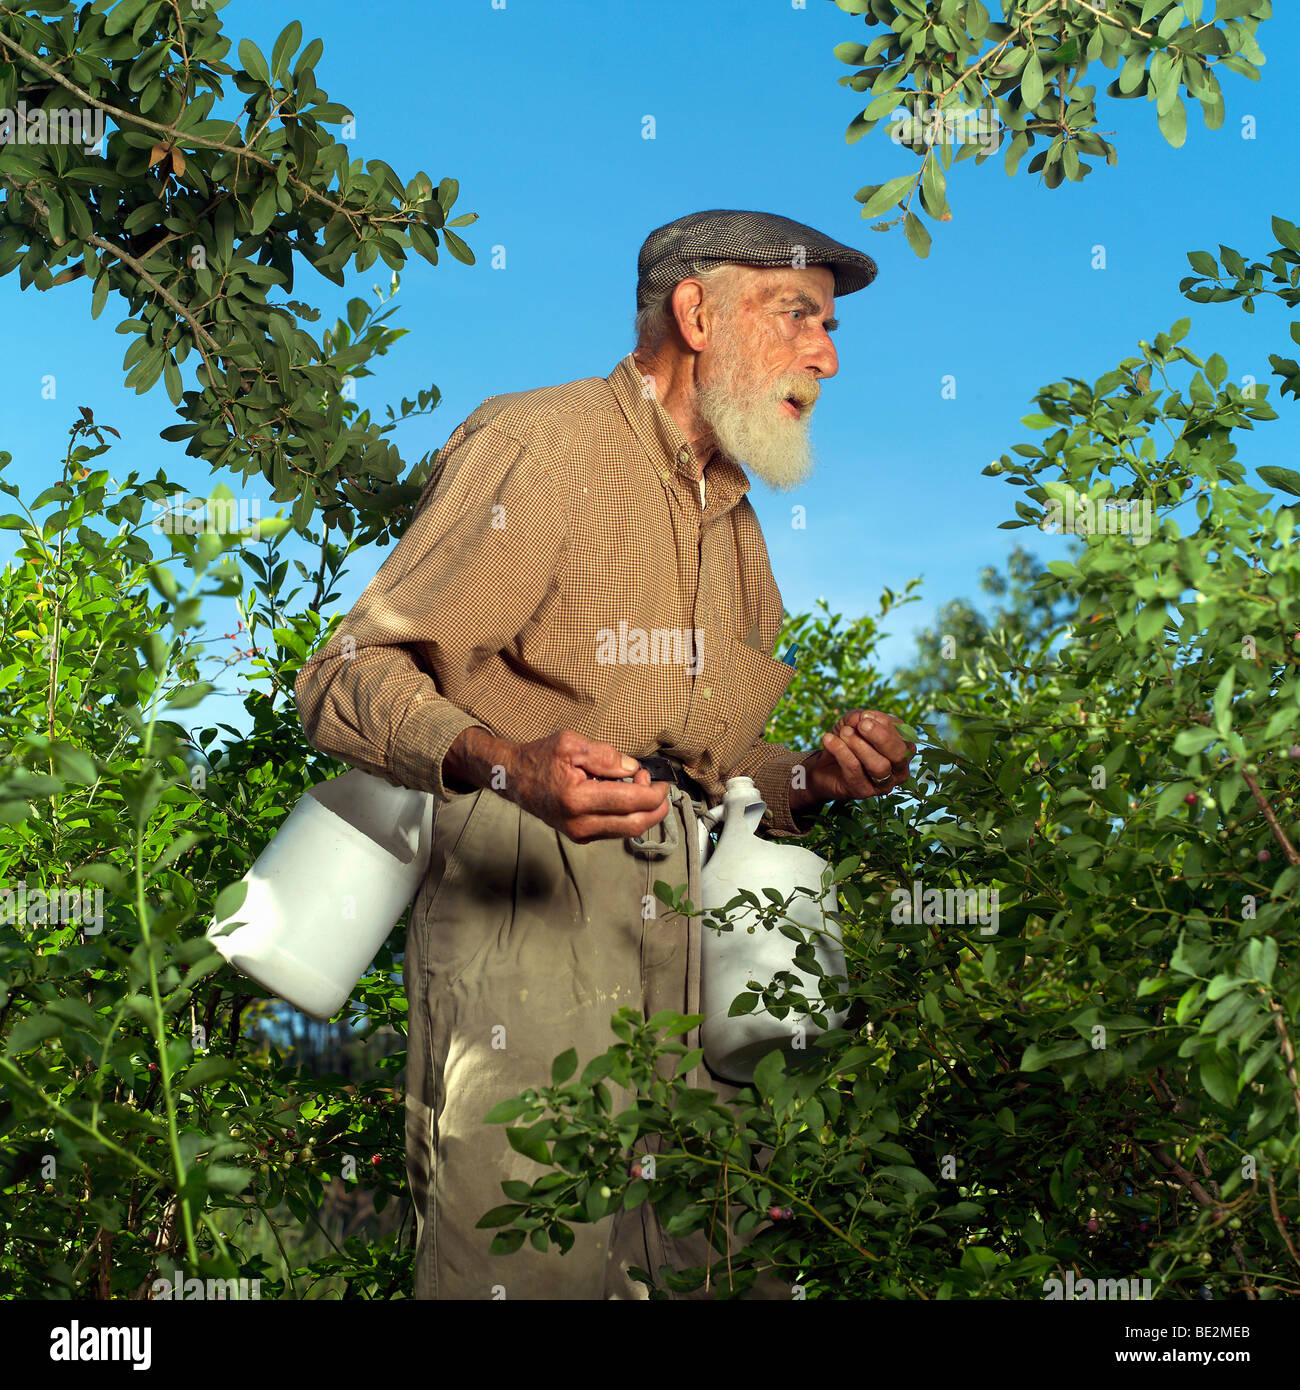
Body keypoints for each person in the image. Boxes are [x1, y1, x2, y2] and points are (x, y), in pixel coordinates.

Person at [294, 208, 917, 1299]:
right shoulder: (540, 445)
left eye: (827, 327)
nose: (827, 353)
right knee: (528, 1244)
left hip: (698, 909)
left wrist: (815, 775)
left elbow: (712, 768)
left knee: (711, 1243)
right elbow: (344, 676)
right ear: (696, 312)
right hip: (527, 886)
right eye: (799, 317)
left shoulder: (737, 523)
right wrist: (506, 762)